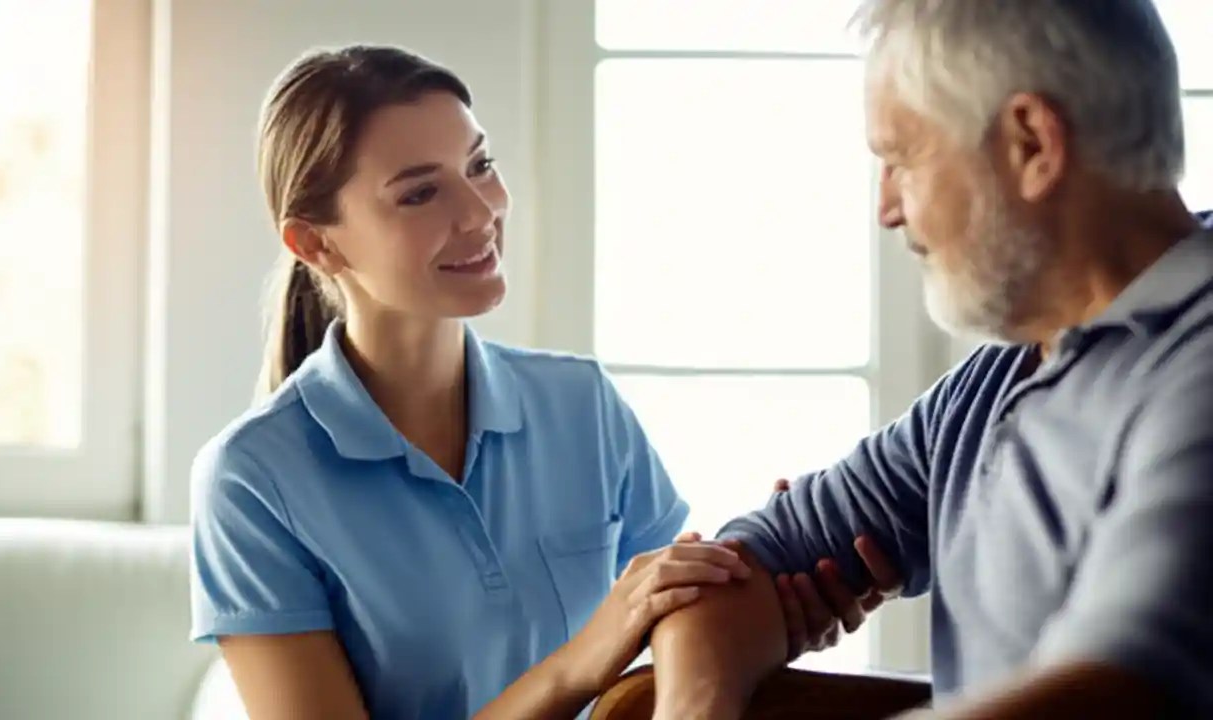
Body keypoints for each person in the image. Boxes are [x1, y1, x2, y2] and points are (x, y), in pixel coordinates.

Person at [186, 45, 893, 720]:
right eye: (421, 193)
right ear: (316, 243)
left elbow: (677, 618)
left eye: (480, 165)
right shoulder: (251, 480)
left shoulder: (581, 404)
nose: (478, 211)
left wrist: (768, 606)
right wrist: (579, 663)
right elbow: (607, 642)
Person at [640, 1, 1213, 718]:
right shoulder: (996, 379)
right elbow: (735, 566)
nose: (886, 208)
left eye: (900, 159)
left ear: (1032, 143)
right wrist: (696, 708)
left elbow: (1126, 687)